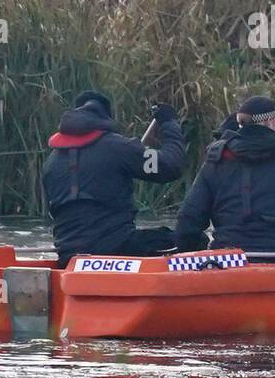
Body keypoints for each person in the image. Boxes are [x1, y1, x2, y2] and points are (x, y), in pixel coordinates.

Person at [174, 95, 275, 253]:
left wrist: (193, 254)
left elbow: (188, 221)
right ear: (271, 122)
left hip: (228, 263)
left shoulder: (215, 162)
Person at [42, 90, 185, 267]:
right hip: (116, 250)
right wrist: (169, 124)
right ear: (105, 117)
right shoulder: (118, 147)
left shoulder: (51, 162)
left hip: (68, 257)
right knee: (191, 239)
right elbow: (171, 165)